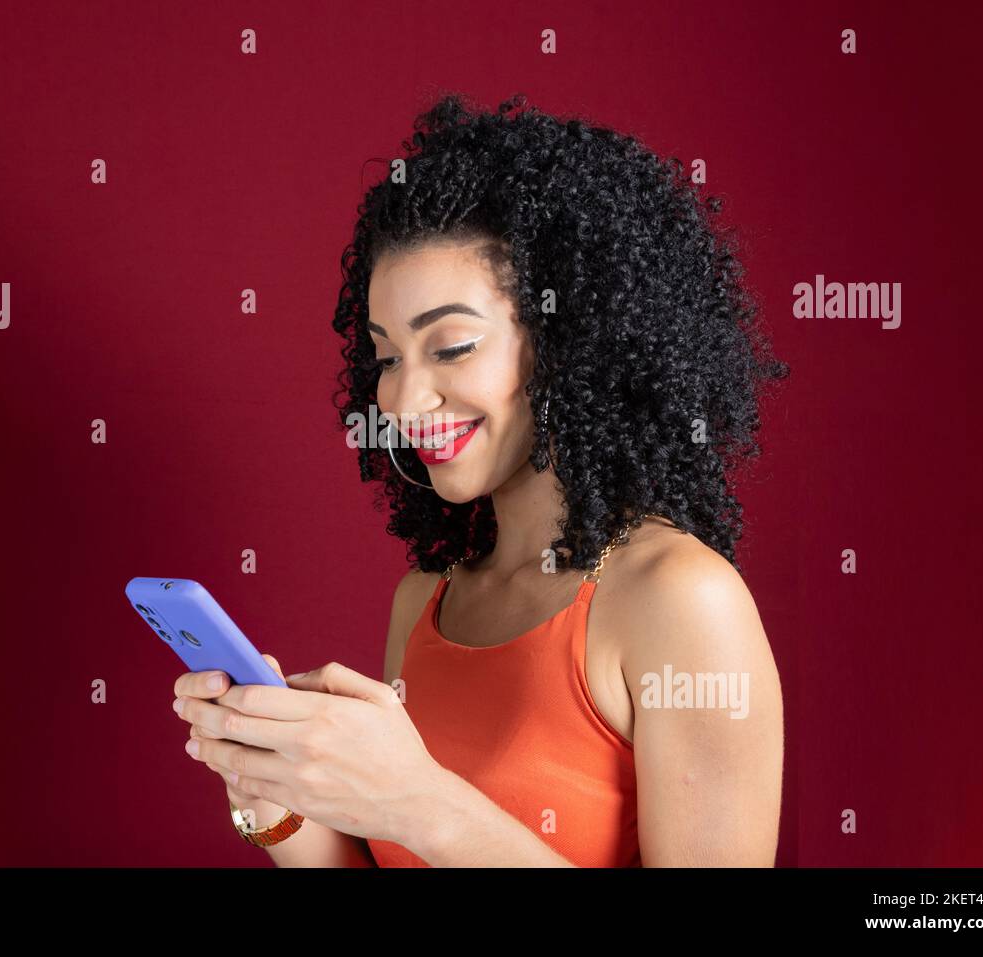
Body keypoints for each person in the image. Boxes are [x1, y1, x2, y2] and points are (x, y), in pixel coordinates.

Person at [173, 92, 788, 866]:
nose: (400, 397)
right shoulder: (425, 600)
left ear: (573, 341)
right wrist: (270, 793)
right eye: (388, 356)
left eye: (452, 346)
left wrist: (420, 801)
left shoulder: (680, 600)